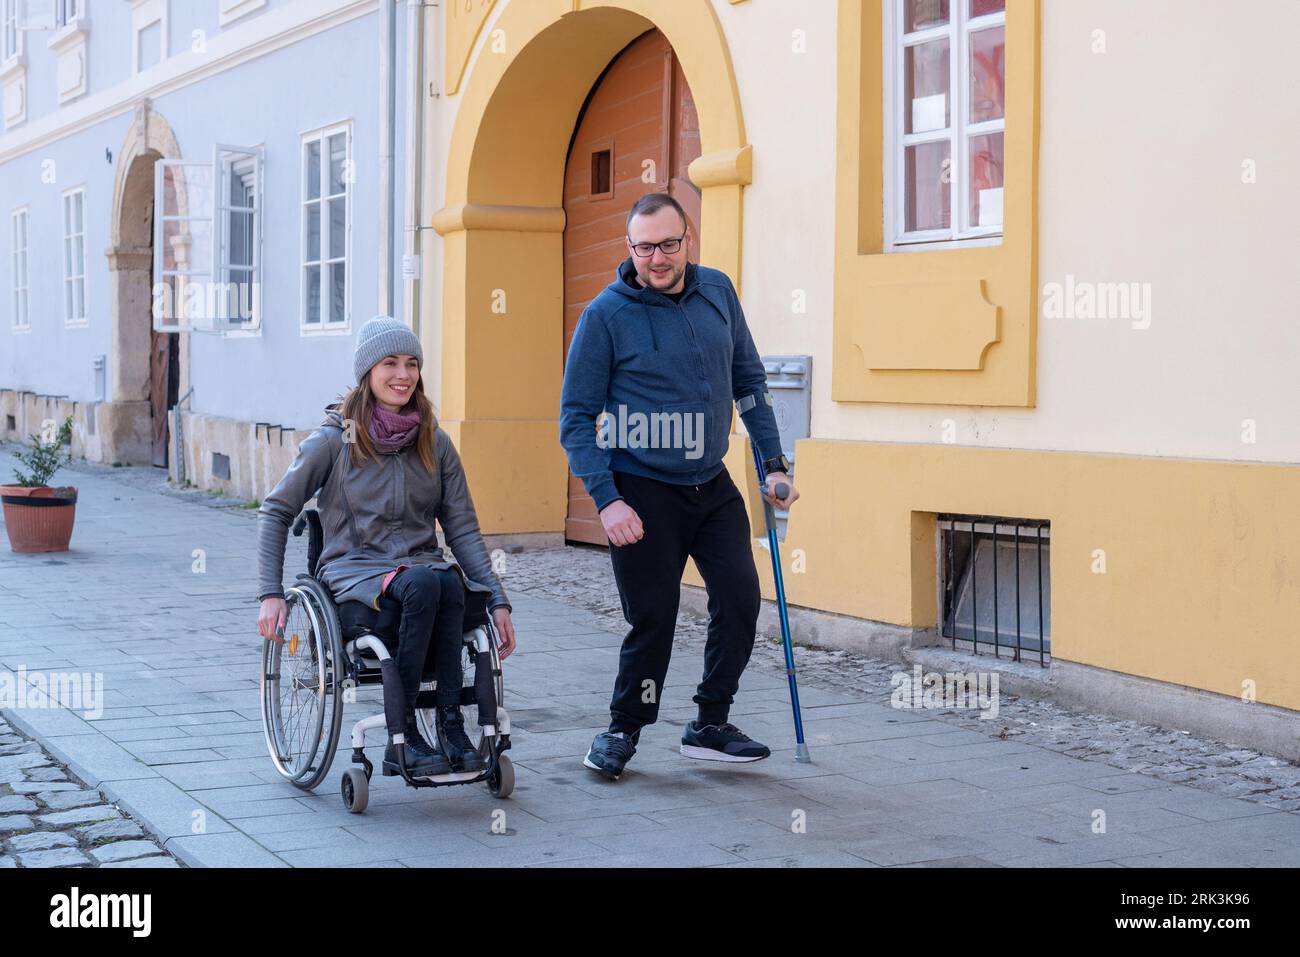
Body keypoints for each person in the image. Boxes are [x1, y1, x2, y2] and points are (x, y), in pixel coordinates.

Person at [559, 192, 800, 781]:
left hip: (711, 484)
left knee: (741, 599)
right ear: (630, 248)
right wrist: (607, 500)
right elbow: (575, 417)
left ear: (688, 239)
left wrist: (774, 461)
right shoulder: (605, 316)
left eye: (669, 244)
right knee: (654, 618)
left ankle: (709, 725)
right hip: (641, 490)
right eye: (645, 248)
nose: (658, 258)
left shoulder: (717, 291)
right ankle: (623, 729)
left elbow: (749, 380)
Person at [256, 316, 516, 776]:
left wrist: (496, 599)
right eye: (390, 363)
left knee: (449, 582)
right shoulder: (334, 441)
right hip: (354, 574)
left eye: (411, 363)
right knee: (426, 581)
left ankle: (452, 726)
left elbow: (463, 530)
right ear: (367, 373)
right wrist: (270, 593)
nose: (403, 374)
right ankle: (405, 736)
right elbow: (276, 509)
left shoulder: (434, 443)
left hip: (420, 575)